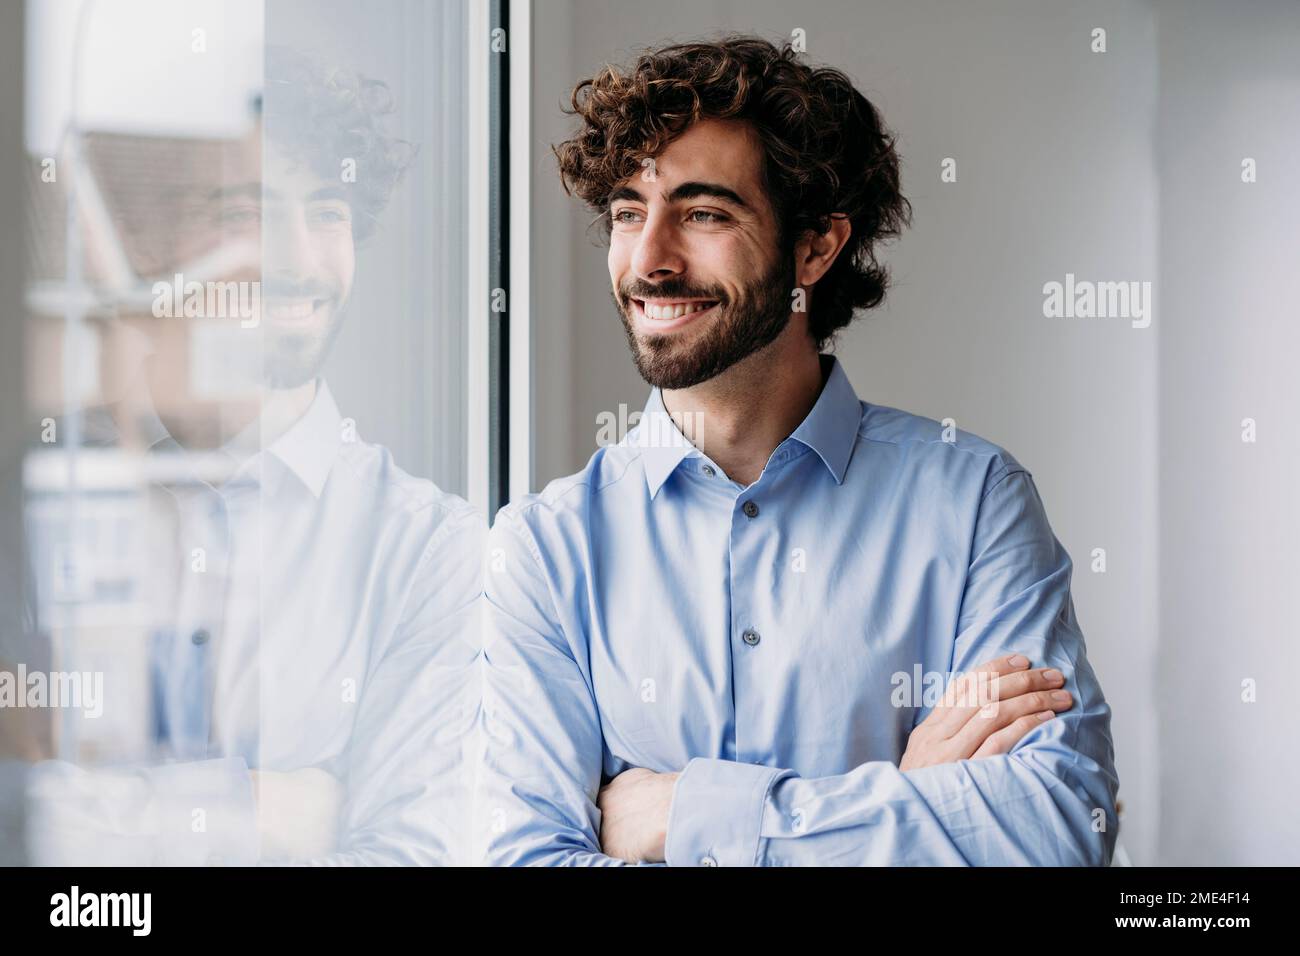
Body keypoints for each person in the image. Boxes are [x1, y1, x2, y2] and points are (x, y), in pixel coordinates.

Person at [476, 35, 1119, 866]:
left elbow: (1058, 829)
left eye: (704, 214)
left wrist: (689, 814)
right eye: (629, 214)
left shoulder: (974, 502)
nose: (650, 260)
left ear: (815, 247)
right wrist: (909, 797)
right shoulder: (543, 549)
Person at [5, 47, 481, 866]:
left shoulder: (428, 551)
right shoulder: (38, 497)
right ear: (155, 243)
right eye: (246, 214)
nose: (296, 259)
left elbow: (412, 860)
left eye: (327, 212)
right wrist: (264, 811)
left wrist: (91, 820)